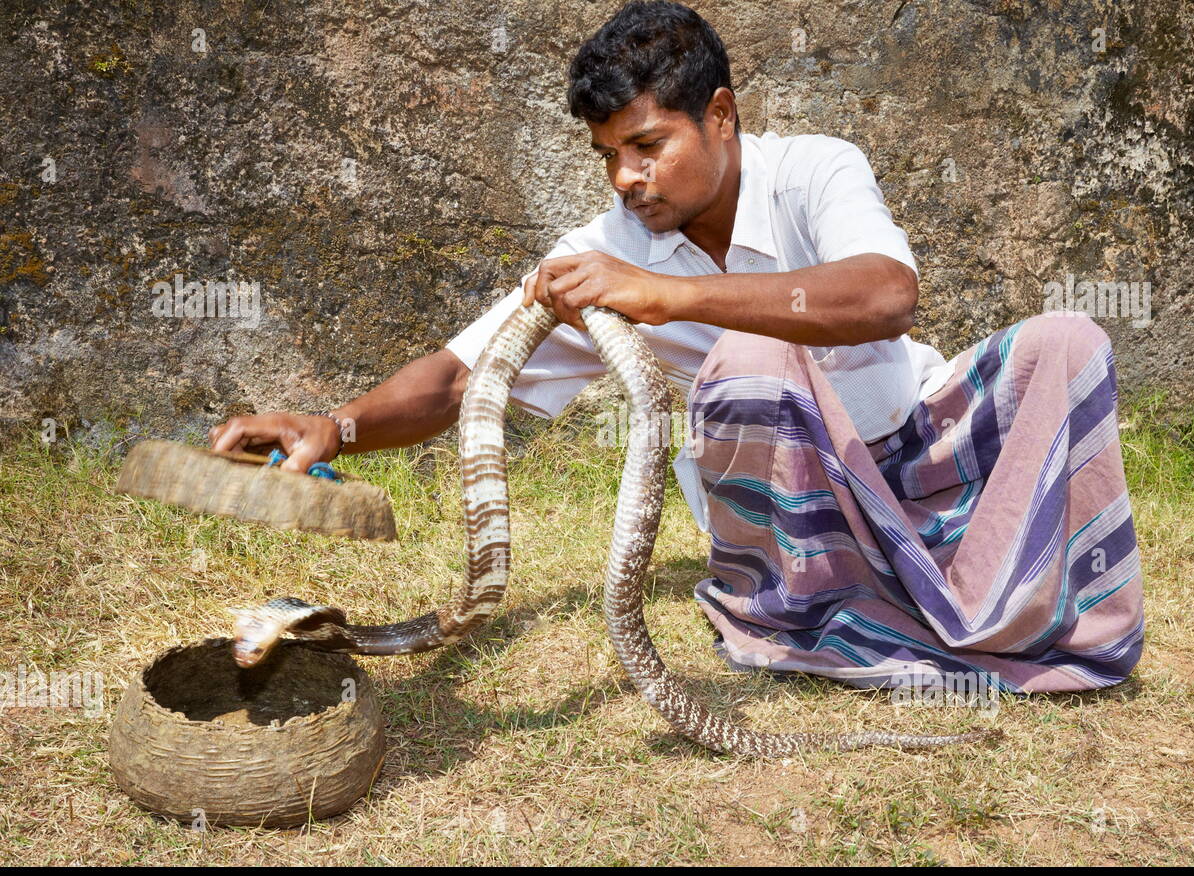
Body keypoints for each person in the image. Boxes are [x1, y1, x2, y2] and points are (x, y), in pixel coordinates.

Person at [211, 1, 1144, 694]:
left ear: (723, 116)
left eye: (648, 145)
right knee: (746, 367)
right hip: (806, 529)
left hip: (919, 457)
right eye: (609, 154)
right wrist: (335, 424)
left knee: (1064, 341)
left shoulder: (817, 168)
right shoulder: (601, 255)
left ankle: (1043, 616)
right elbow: (462, 378)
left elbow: (888, 296)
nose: (627, 177)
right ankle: (817, 621)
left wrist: (670, 296)